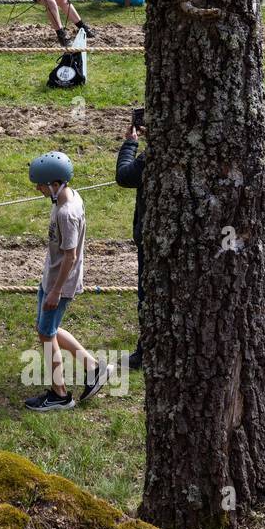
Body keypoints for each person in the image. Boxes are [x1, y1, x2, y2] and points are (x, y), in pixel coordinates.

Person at [24, 151, 110, 411]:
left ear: (54, 183)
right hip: (50, 277)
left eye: (40, 184)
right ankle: (94, 368)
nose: (38, 189)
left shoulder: (66, 213)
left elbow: (70, 257)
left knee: (47, 335)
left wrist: (55, 292)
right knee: (45, 329)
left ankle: (60, 395)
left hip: (60, 283)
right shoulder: (66, 197)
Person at [116, 118, 146, 372]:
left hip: (152, 238)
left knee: (147, 296)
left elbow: (125, 176)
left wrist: (130, 144)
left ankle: (147, 350)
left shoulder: (153, 156)